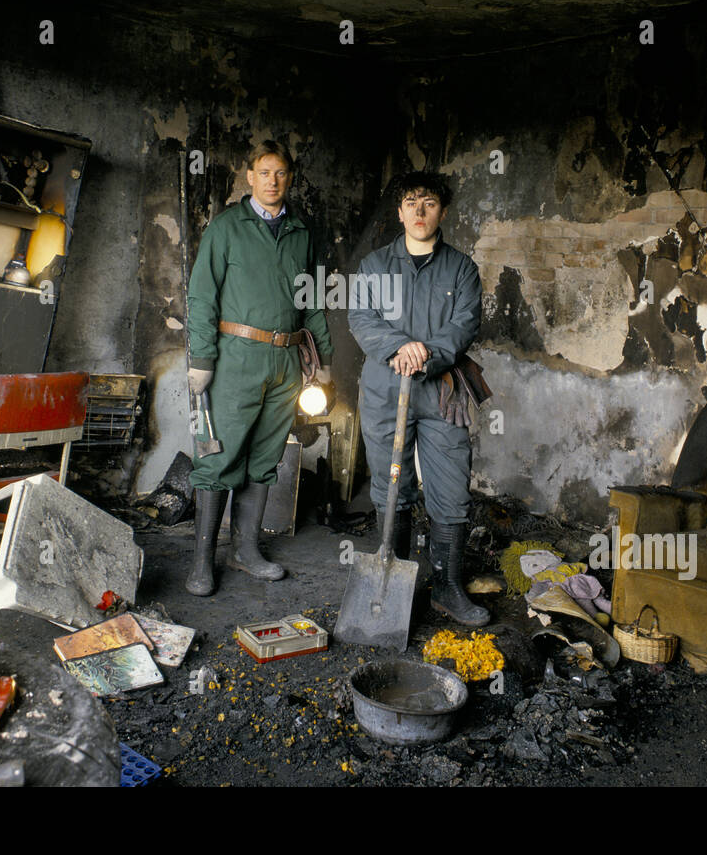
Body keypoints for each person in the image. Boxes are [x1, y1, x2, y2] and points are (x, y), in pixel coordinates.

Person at [184, 141, 333, 596]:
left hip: (285, 361)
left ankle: (245, 551)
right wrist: (202, 359)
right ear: (250, 176)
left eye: (281, 173)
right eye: (264, 172)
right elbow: (201, 296)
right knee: (218, 455)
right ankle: (202, 564)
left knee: (265, 457)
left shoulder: (302, 232)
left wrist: (322, 361)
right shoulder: (227, 228)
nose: (273, 181)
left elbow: (313, 301)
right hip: (236, 357)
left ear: (290, 178)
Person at [348, 171, 488, 626]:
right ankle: (399, 586)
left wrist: (426, 354)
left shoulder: (462, 269)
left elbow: (464, 324)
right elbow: (362, 319)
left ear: (442, 211)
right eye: (411, 202)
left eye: (429, 203)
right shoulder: (374, 267)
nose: (420, 211)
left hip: (441, 390)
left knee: (451, 489)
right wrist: (398, 348)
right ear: (400, 211)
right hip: (386, 391)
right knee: (393, 487)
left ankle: (447, 588)